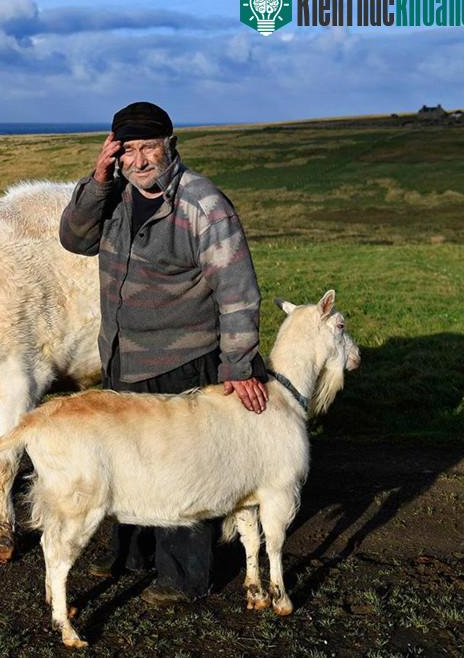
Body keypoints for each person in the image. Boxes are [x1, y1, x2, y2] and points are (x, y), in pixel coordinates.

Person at [59, 101, 270, 605]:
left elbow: (238, 291)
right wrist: (97, 181)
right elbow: (73, 239)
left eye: (147, 147)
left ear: (170, 146)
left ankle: (183, 578)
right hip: (121, 355)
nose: (138, 160)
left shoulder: (203, 205)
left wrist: (238, 367)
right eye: (126, 150)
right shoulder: (113, 196)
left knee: (183, 468)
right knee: (130, 460)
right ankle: (132, 555)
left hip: (183, 359)